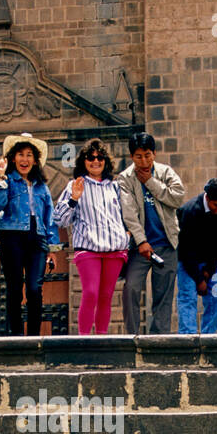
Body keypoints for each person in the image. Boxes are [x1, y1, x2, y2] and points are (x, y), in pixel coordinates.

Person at [53, 138, 130, 335]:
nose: (95, 161)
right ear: (83, 161)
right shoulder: (75, 185)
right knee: (90, 293)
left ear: (106, 161)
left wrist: (126, 235)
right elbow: (60, 219)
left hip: (114, 248)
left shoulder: (115, 187)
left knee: (106, 296)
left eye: (100, 157)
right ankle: (84, 338)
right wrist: (73, 199)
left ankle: (102, 338)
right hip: (88, 249)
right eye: (90, 157)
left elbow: (127, 215)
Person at [0, 132, 59, 336]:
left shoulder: (42, 187)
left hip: (37, 238)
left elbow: (49, 219)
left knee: (35, 288)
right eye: (20, 154)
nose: (24, 159)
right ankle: (16, 336)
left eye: (29, 155)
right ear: (12, 158)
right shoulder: (6, 180)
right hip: (12, 238)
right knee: (15, 288)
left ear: (35, 161)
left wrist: (52, 249)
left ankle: (34, 336)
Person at [116, 132, 185, 333]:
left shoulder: (165, 172)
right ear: (132, 157)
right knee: (131, 289)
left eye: (147, 155)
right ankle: (132, 336)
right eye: (139, 156)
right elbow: (129, 214)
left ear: (154, 153)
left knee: (163, 296)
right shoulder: (125, 178)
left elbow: (177, 198)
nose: (144, 161)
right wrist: (141, 241)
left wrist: (150, 182)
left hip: (167, 244)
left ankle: (159, 339)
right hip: (140, 248)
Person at [175, 178, 217, 335]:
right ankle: (187, 337)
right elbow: (185, 249)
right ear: (208, 198)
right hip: (187, 263)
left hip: (210, 263)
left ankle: (208, 336)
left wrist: (209, 271)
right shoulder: (190, 211)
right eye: (216, 205)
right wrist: (199, 279)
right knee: (188, 298)